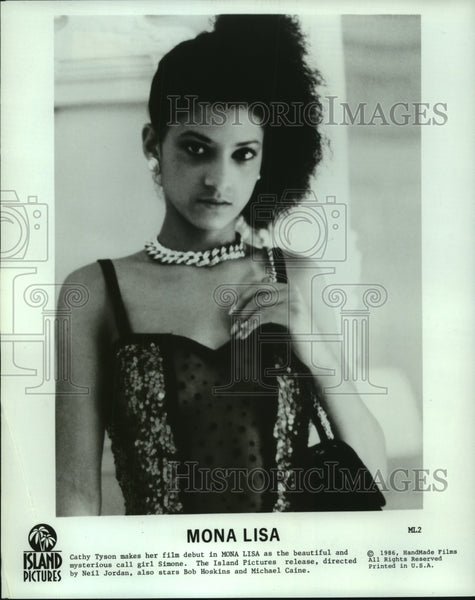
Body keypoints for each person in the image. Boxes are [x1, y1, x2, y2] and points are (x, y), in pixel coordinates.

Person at [56, 14, 386, 516]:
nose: (219, 180)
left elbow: (374, 478)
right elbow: (76, 494)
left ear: (264, 159)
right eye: (196, 149)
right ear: (153, 145)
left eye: (243, 154)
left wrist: (310, 342)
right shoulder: (93, 292)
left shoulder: (298, 278)